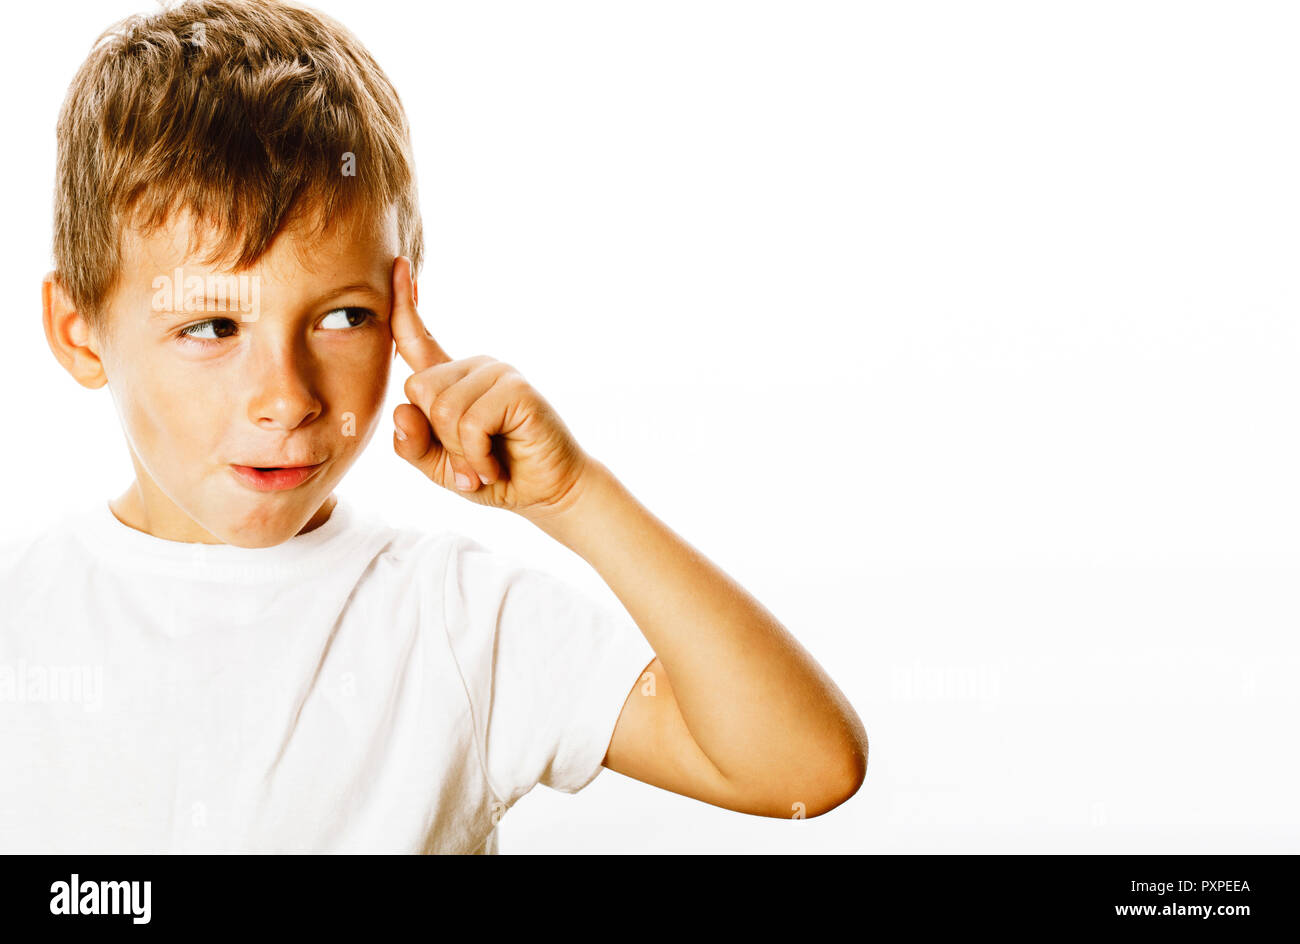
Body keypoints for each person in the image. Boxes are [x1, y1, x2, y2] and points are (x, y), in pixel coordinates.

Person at [2, 0, 867, 853]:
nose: (288, 396)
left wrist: (575, 499)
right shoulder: (26, 614)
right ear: (80, 335)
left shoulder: (452, 621)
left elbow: (804, 768)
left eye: (342, 317)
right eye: (212, 328)